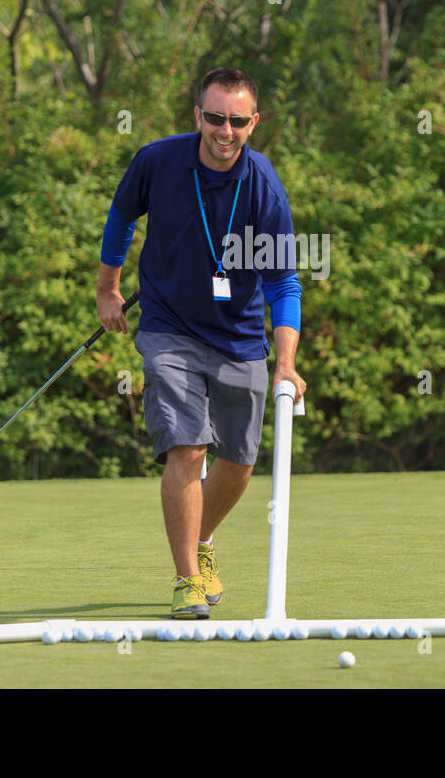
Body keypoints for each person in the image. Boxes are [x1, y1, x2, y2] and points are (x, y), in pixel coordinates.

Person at [97, 67, 307, 619]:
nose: (225, 130)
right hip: (168, 327)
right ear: (198, 116)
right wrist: (108, 289)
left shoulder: (263, 186)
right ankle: (187, 579)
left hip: (239, 337)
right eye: (214, 117)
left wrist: (284, 362)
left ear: (253, 123)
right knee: (188, 447)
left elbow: (283, 282)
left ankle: (201, 542)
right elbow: (121, 217)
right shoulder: (159, 161)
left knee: (237, 463)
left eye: (237, 121)